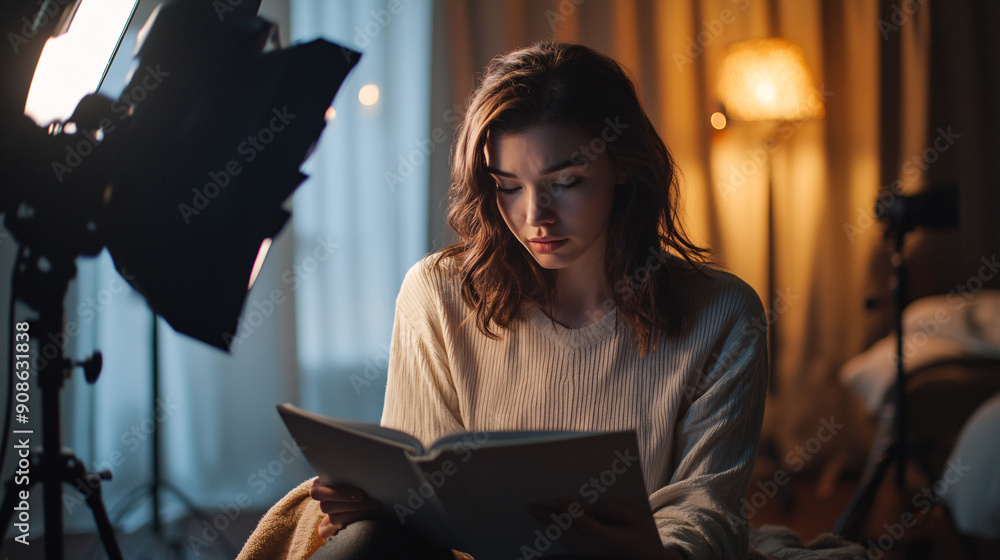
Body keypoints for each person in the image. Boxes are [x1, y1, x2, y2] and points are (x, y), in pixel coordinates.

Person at [309, 42, 769, 560]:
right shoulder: (437, 293)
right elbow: (421, 478)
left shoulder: (723, 314)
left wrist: (658, 553)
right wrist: (376, 503)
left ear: (623, 165)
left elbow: (709, 507)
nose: (535, 217)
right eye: (508, 186)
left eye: (566, 182)